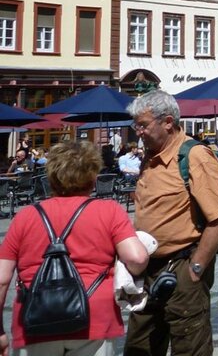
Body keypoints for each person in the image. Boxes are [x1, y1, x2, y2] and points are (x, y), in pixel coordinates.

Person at [0, 140, 149, 355]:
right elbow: (137, 258)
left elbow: (2, 279)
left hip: (35, 318)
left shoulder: (25, 216)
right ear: (92, 176)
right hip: (93, 317)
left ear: (51, 176)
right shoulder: (108, 211)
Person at [123, 90, 218, 356]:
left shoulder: (195, 156)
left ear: (167, 122)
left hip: (181, 267)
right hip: (147, 270)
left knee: (189, 347)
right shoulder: (150, 155)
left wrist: (195, 271)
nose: (139, 132)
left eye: (143, 125)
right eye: (136, 125)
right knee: (140, 346)